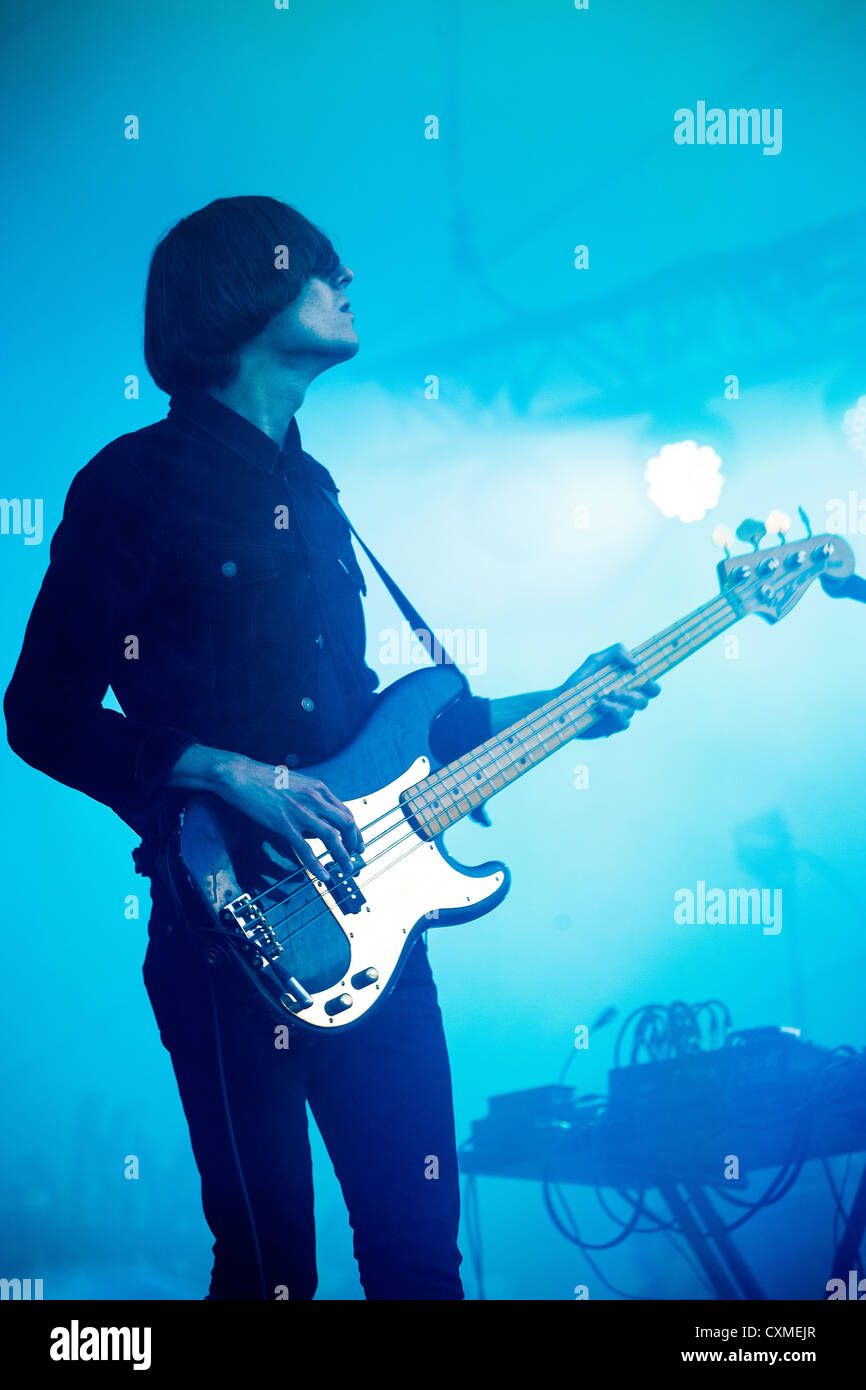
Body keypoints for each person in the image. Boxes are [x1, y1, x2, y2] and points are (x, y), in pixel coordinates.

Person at [4, 195, 659, 1300]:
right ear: (242, 294)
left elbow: (385, 726)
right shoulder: (132, 483)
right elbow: (38, 712)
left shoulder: (314, 493)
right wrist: (218, 768)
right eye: (319, 267)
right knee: (268, 1273)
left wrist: (563, 700)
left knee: (418, 1260)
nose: (346, 281)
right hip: (230, 931)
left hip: (379, 928)